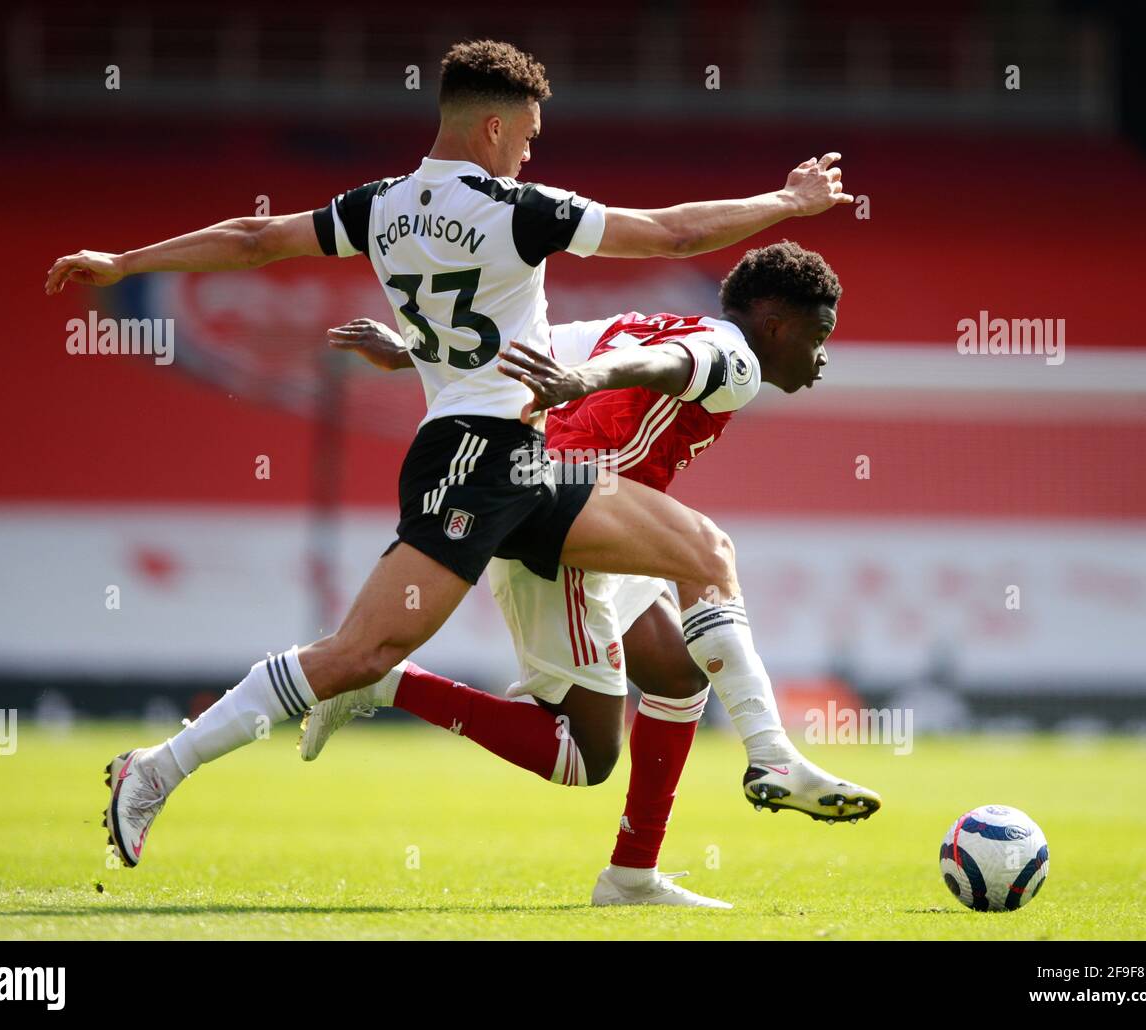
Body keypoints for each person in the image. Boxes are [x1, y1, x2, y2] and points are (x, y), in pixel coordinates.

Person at [44, 39, 851, 870]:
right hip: (475, 462)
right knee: (357, 652)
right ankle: (157, 768)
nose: (531, 150)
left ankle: (766, 758)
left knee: (700, 560)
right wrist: (787, 201)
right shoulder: (520, 209)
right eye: (529, 134)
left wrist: (126, 261)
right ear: (495, 126)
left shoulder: (379, 205)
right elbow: (675, 234)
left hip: (525, 461)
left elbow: (255, 239)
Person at [303, 241, 881, 907]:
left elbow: (526, 346)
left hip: (595, 520)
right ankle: (386, 684)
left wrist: (410, 350)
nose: (824, 355)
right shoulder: (735, 359)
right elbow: (661, 366)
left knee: (675, 672)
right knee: (582, 757)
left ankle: (633, 875)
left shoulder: (646, 321)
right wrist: (593, 379)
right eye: (819, 334)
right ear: (777, 325)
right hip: (565, 524)